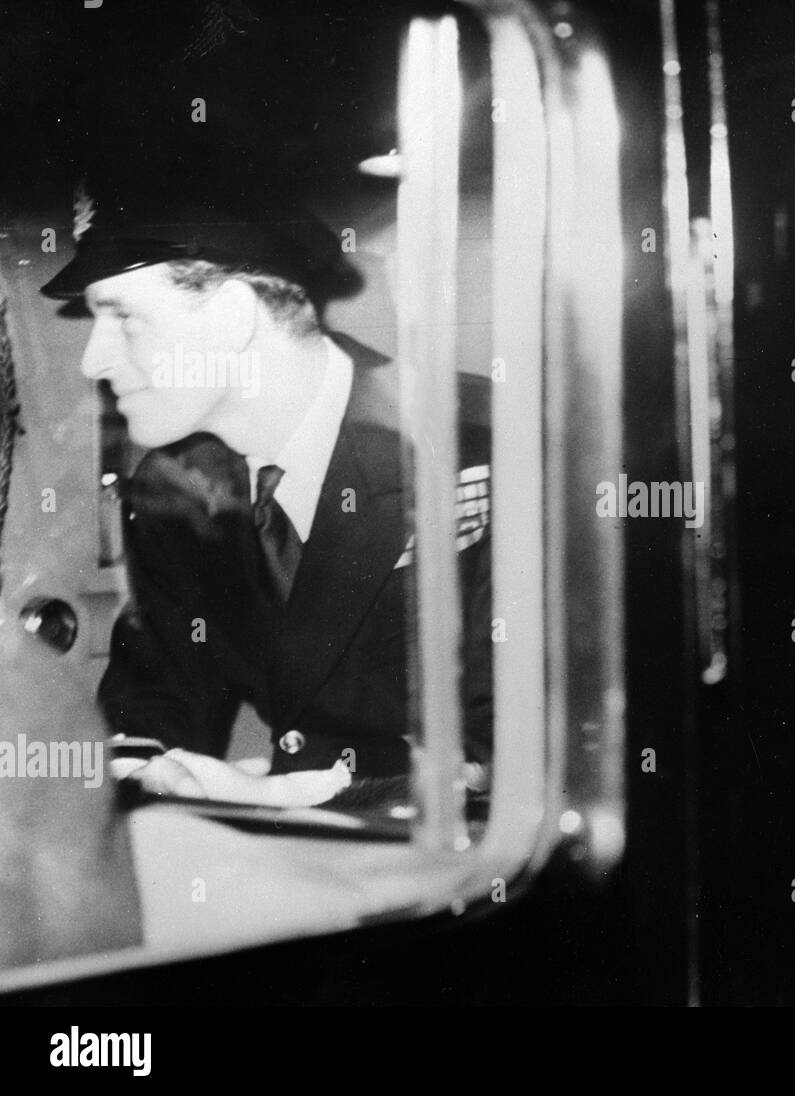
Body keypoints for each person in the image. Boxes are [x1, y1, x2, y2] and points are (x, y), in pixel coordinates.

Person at [40, 170, 492, 806]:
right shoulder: (174, 490)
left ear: (232, 319)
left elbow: (530, 758)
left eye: (123, 318)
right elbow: (155, 698)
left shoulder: (481, 443)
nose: (94, 359)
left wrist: (300, 797)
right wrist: (142, 774)